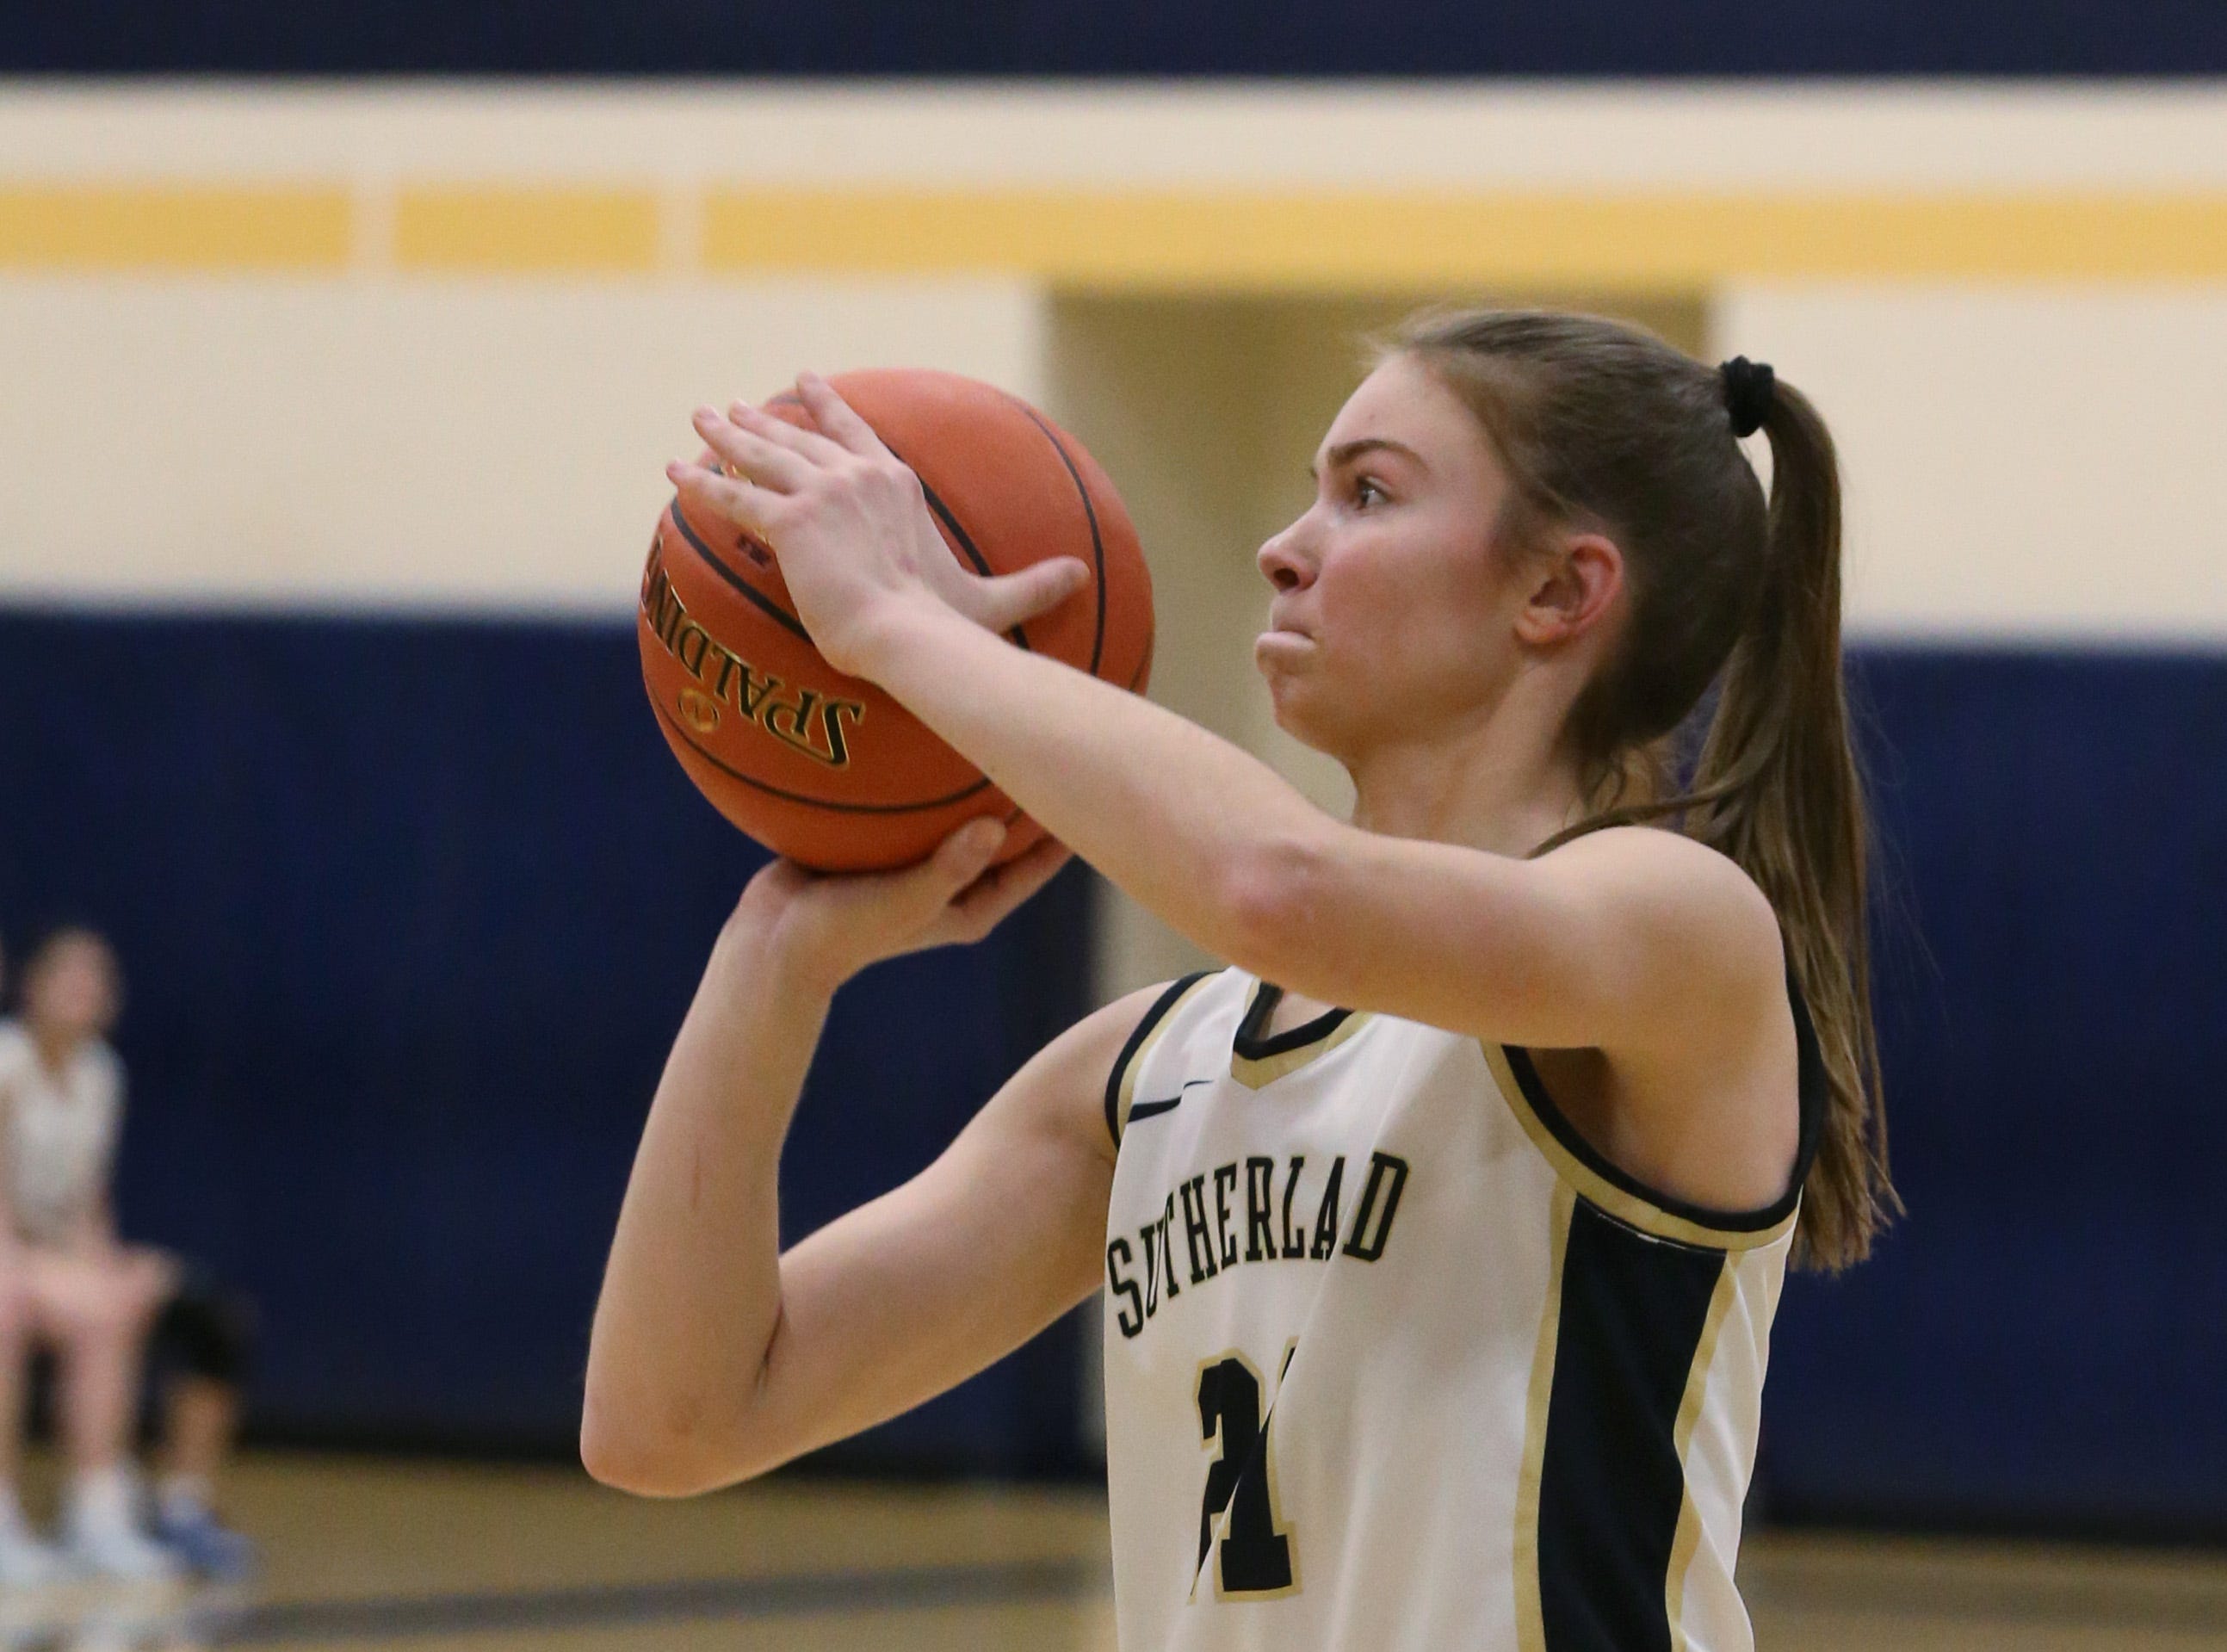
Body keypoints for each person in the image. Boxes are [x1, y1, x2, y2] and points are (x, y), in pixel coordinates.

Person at [585, 310, 1895, 1652]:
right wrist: (772, 951)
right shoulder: (1145, 1074)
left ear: (1557, 592)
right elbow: (670, 1419)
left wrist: (889, 621)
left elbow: (1277, 888)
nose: (1284, 544)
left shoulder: (1675, 930)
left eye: (1368, 491)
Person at [0, 930, 256, 1585]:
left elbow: (87, 1203)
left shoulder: (99, 1073)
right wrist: (62, 1276)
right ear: (33, 987)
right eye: (71, 979)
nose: (86, 994)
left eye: (99, 981)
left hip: (45, 1254)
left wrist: (102, 1268)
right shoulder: (8, 1066)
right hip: (10, 1256)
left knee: (144, 1300)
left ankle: (106, 1509)